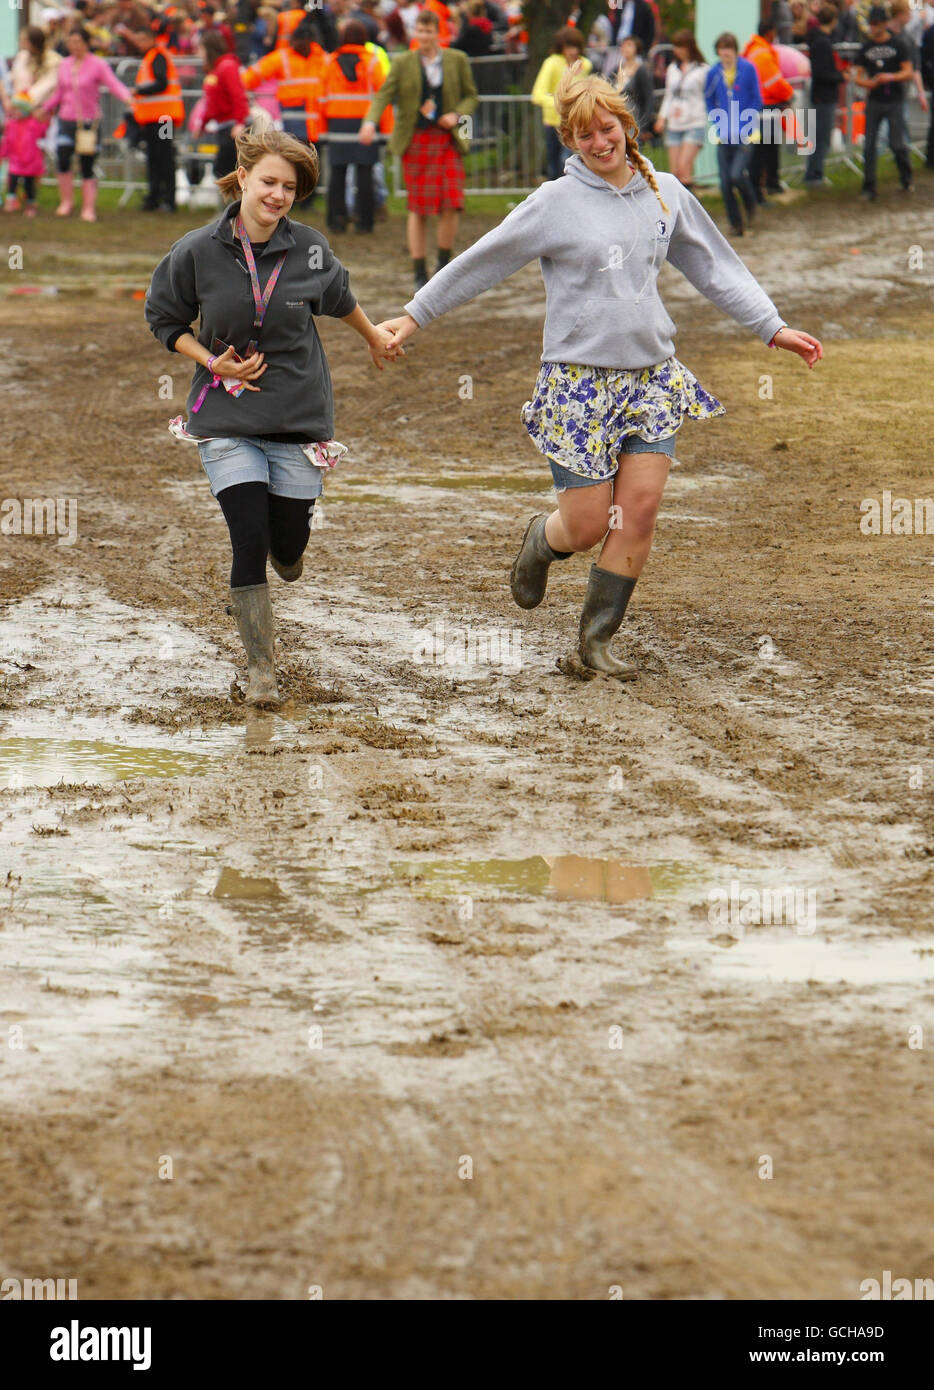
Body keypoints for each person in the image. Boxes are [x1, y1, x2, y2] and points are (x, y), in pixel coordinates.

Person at [375, 67, 822, 682]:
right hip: (577, 384)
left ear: (626, 126)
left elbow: (717, 268)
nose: (598, 142)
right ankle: (543, 539)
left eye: (606, 128)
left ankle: (596, 640)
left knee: (638, 512)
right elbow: (487, 258)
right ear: (570, 140)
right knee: (587, 525)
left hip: (652, 379)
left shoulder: (665, 192)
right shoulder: (554, 203)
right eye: (583, 135)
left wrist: (772, 327)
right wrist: (414, 315)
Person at [144, 126, 398, 707]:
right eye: (268, 182)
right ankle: (261, 671)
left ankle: (292, 546)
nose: (278, 195)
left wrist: (372, 338)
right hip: (226, 419)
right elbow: (164, 319)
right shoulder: (198, 249)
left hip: (299, 415)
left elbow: (339, 298)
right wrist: (213, 362)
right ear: (244, 178)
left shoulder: (309, 246)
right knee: (247, 534)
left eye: (288, 186)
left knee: (286, 542)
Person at [358, 7, 478, 292]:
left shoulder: (457, 60)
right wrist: (369, 122)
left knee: (451, 203)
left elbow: (471, 96)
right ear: (414, 33)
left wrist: (457, 114)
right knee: (419, 208)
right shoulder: (402, 63)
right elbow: (384, 94)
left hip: (447, 139)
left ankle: (443, 267)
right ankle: (418, 270)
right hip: (416, 141)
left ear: (438, 33)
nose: (424, 36)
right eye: (420, 31)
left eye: (429, 31)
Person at [39, 24, 132, 220]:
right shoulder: (64, 65)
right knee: (63, 158)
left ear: (86, 43)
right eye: (71, 42)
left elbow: (113, 84)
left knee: (87, 163)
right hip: (65, 119)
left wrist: (128, 97)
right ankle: (66, 201)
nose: (74, 46)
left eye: (78, 42)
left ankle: (88, 208)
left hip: (89, 123)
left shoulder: (97, 64)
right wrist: (44, 108)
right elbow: (59, 93)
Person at [322, 18, 386, 232]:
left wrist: (320, 128)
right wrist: (386, 130)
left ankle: (336, 221)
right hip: (366, 125)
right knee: (365, 173)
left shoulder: (330, 62)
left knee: (337, 174)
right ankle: (365, 222)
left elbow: (320, 97)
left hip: (337, 124)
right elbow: (383, 97)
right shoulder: (373, 62)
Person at [704, 32, 762, 237]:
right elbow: (709, 99)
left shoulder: (747, 69)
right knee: (725, 181)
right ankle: (735, 223)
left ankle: (751, 203)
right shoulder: (714, 73)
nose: (725, 53)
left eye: (728, 48)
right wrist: (717, 120)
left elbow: (757, 99)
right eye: (722, 49)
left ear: (735, 50)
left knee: (737, 175)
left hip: (746, 133)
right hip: (724, 135)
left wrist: (748, 122)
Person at [855, 4, 914, 200]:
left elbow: (908, 72)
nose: (872, 27)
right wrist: (868, 83)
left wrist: (890, 77)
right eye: (871, 24)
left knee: (897, 144)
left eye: (876, 23)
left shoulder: (898, 44)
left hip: (894, 100)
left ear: (885, 24)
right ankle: (868, 186)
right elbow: (857, 76)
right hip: (874, 102)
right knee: (869, 145)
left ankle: (907, 178)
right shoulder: (866, 47)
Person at [242, 17, 327, 148]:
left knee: (315, 157)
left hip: (318, 121)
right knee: (296, 154)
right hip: (293, 117)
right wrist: (238, 89)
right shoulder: (282, 57)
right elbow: (253, 76)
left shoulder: (323, 58)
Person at [133, 15, 185, 212]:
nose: (139, 44)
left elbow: (161, 83)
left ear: (151, 39)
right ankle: (155, 198)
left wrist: (139, 91)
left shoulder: (157, 56)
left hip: (164, 118)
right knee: (154, 158)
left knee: (164, 158)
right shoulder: (151, 57)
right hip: (153, 118)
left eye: (141, 40)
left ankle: (168, 200)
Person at [531, 25, 592, 182]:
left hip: (576, 123)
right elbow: (537, 94)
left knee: (570, 163)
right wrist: (561, 103)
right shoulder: (552, 63)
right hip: (554, 123)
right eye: (569, 47)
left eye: (576, 47)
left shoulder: (585, 65)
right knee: (555, 166)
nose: (573, 51)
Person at [742, 21, 794, 200]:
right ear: (770, 32)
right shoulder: (762, 54)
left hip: (759, 106)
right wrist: (788, 93)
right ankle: (760, 189)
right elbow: (773, 82)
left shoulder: (753, 50)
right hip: (766, 106)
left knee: (767, 148)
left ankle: (770, 183)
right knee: (763, 149)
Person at [654, 29, 708, 192]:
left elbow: (708, 96)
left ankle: (690, 206)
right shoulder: (672, 69)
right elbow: (669, 95)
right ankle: (678, 208)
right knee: (675, 172)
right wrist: (662, 118)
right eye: (676, 47)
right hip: (675, 123)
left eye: (681, 46)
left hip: (694, 121)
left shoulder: (703, 69)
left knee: (685, 167)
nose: (677, 50)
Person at [199, 26, 249, 180]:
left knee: (226, 171)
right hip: (223, 126)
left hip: (231, 126)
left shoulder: (226, 67)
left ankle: (238, 203)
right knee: (226, 171)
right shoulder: (215, 70)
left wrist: (239, 122)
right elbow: (212, 103)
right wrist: (203, 123)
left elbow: (238, 96)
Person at [803, 3, 844, 184]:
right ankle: (814, 175)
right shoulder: (822, 42)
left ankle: (815, 173)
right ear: (833, 20)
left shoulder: (820, 40)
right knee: (821, 137)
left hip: (823, 94)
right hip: (824, 95)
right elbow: (821, 72)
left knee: (821, 136)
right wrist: (840, 76)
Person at [1, 97, 49, 217]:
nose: (15, 112)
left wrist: (45, 116)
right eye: (14, 109)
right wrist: (3, 155)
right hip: (15, 160)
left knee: (29, 184)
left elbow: (43, 131)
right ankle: (11, 201)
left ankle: (30, 204)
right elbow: (7, 142)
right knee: (12, 182)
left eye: (18, 109)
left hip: (31, 161)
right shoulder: (11, 124)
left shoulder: (34, 124)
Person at [617, 35, 653, 143]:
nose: (625, 49)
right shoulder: (617, 68)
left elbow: (648, 97)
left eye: (629, 45)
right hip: (616, 116)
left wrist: (645, 123)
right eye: (623, 45)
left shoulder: (641, 70)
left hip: (633, 117)